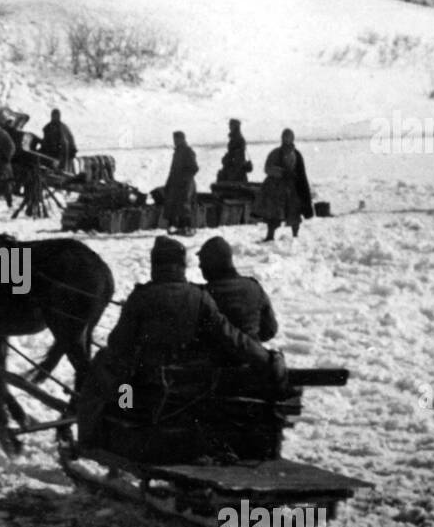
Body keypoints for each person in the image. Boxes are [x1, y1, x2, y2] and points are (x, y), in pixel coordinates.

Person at [78, 237, 282, 442]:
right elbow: (231, 336)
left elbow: (118, 344)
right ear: (182, 265)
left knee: (110, 371)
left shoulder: (141, 297)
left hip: (146, 384)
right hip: (188, 382)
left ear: (155, 264)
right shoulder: (200, 297)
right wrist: (266, 358)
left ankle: (111, 422)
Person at [197, 236, 278, 343]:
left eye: (203, 261)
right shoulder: (254, 287)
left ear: (213, 263)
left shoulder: (203, 295)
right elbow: (270, 330)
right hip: (253, 357)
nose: (200, 266)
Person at [254, 129, 313, 241]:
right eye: (284, 136)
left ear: (292, 138)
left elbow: (301, 173)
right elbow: (267, 168)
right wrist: (282, 172)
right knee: (273, 213)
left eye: (288, 137)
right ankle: (270, 235)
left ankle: (295, 236)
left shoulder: (297, 155)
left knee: (294, 212)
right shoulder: (275, 153)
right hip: (275, 189)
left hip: (292, 189)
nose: (286, 139)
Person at [162, 131, 199, 234]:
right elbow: (173, 170)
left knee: (184, 206)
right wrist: (168, 184)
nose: (175, 141)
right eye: (174, 139)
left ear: (182, 139)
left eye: (176, 139)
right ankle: (176, 227)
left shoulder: (188, 151)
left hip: (186, 184)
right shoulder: (177, 152)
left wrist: (184, 180)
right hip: (176, 183)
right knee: (174, 204)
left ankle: (187, 227)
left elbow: (194, 168)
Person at [216, 119, 253, 183]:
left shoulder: (237, 138)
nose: (229, 127)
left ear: (235, 126)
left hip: (235, 169)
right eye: (230, 125)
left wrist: (226, 159)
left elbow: (237, 156)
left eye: (231, 125)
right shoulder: (236, 137)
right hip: (235, 167)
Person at [41, 108, 78, 173]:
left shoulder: (63, 127)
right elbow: (45, 140)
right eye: (54, 115)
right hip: (51, 153)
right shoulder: (47, 127)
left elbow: (70, 137)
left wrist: (73, 148)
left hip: (63, 152)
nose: (55, 117)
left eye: (56, 115)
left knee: (66, 170)